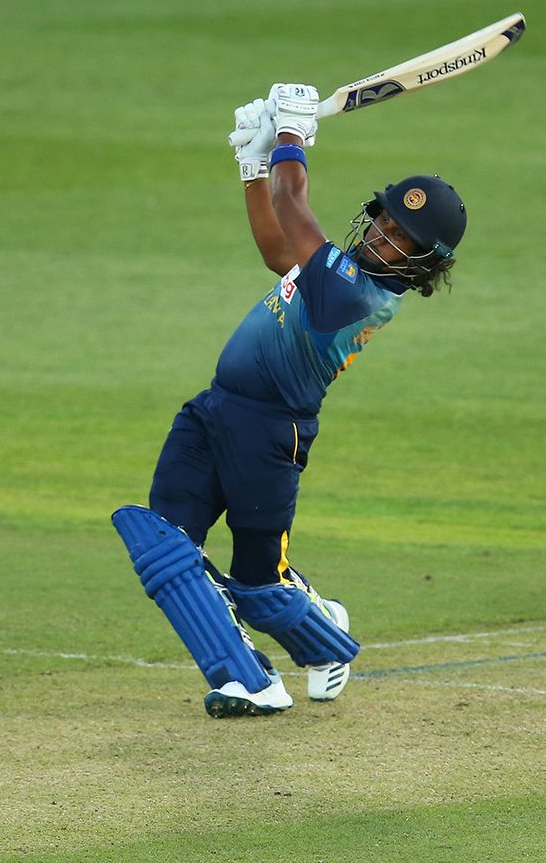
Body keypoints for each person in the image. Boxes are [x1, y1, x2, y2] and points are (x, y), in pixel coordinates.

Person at [111, 83, 468, 716]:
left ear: (420, 263)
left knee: (256, 585)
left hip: (271, 433)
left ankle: (321, 635)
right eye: (384, 220)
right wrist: (255, 161)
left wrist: (292, 137)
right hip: (215, 409)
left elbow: (293, 198)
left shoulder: (357, 294)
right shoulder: (335, 270)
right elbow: (279, 247)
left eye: (401, 237)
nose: (384, 235)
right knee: (165, 544)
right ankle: (247, 678)